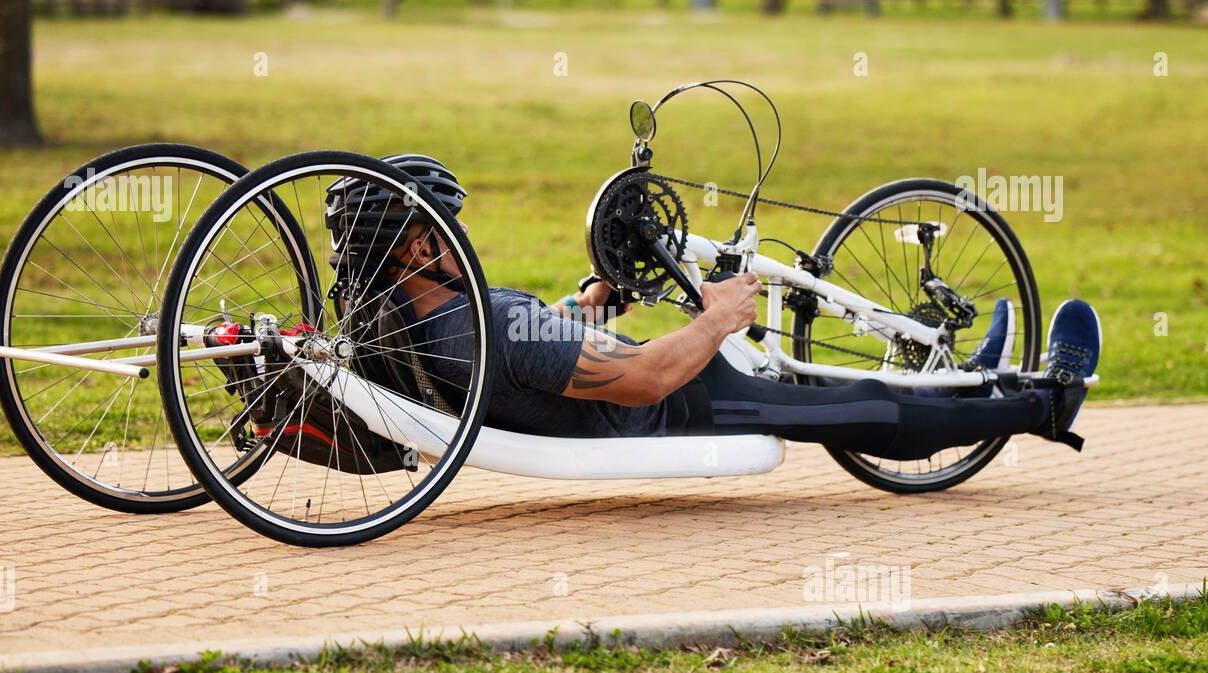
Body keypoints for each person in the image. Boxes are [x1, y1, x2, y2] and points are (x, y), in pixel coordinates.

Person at [331, 155, 1101, 460]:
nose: (457, 231)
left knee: (830, 391)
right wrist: (719, 317)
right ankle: (1043, 404)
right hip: (680, 405)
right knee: (853, 404)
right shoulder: (488, 326)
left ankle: (970, 378)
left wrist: (590, 300)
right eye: (442, 223)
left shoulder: (424, 326)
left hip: (635, 391)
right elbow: (640, 380)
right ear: (412, 249)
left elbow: (547, 352)